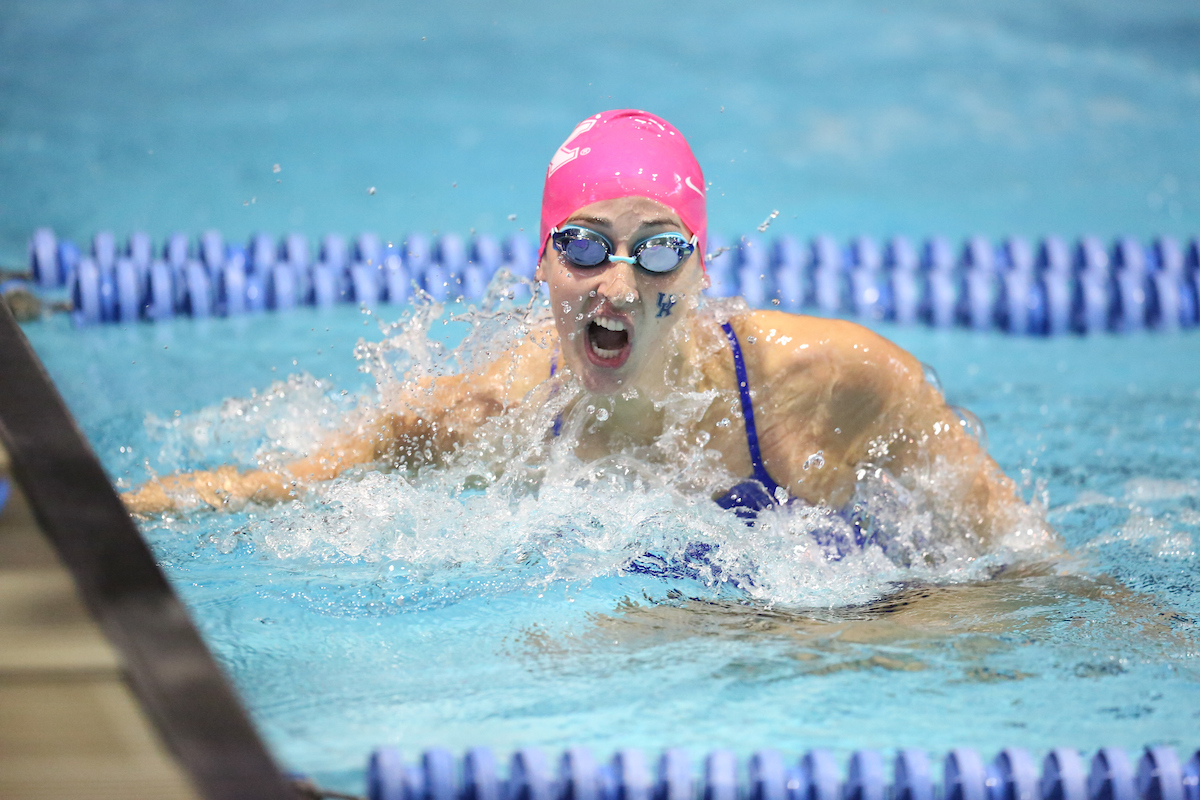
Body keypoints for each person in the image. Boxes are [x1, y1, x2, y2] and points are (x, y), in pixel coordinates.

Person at [123, 109, 1042, 555]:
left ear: (702, 268)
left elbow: (1018, 557)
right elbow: (271, 489)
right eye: (584, 247)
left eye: (658, 252)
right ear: (540, 262)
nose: (618, 285)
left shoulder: (838, 381)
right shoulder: (489, 412)